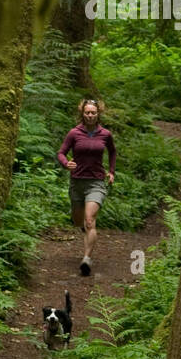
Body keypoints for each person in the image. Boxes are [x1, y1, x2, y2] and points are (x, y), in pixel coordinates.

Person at [56, 97, 116, 276]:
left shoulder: (105, 134)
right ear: (82, 113)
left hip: (96, 182)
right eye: (87, 112)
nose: (90, 115)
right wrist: (66, 163)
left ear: (98, 114)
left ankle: (86, 259)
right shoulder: (74, 133)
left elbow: (112, 152)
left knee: (90, 220)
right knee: (78, 220)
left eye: (93, 113)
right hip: (77, 182)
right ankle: (84, 227)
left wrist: (111, 172)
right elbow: (61, 153)